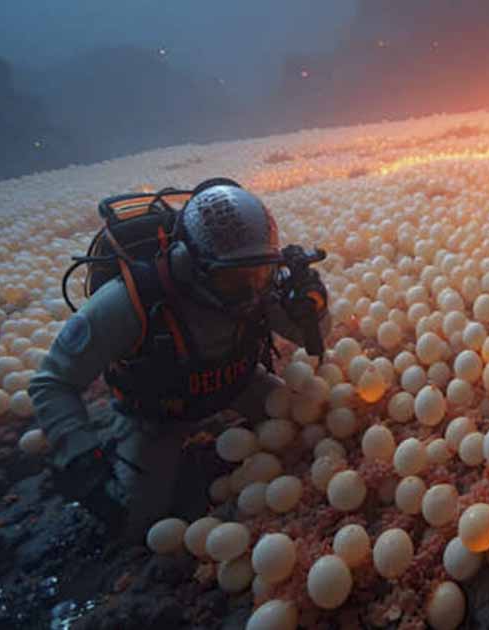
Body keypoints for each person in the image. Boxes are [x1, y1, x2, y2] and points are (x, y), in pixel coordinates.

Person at [28, 181, 331, 542]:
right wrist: (80, 455)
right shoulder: (130, 302)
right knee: (133, 525)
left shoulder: (249, 277)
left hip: (237, 382)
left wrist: (311, 307)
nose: (252, 291)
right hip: (157, 413)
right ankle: (131, 456)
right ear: (194, 264)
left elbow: (312, 339)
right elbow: (52, 382)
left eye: (262, 273)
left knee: (307, 428)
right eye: (236, 280)